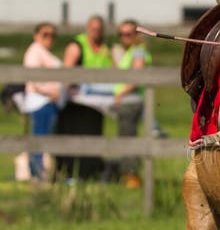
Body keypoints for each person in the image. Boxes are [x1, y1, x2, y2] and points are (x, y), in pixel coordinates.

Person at [55, 15, 113, 181]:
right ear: (87, 28)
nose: (95, 32)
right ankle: (70, 172)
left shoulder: (105, 48)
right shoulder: (76, 46)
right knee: (75, 135)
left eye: (98, 29)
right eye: (93, 28)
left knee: (93, 135)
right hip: (77, 101)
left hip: (97, 103)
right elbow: (67, 73)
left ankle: (90, 172)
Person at [21, 23, 65, 181]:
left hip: (48, 101)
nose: (49, 38)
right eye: (45, 34)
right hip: (41, 102)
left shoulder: (43, 52)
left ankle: (42, 173)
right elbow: (35, 79)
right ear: (36, 35)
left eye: (52, 35)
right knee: (39, 139)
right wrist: (51, 92)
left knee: (44, 139)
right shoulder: (35, 52)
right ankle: (37, 174)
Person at [111, 20, 152, 188]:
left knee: (128, 138)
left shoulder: (137, 52)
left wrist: (120, 93)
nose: (124, 37)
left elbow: (136, 78)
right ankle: (128, 173)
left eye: (128, 34)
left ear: (137, 35)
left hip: (130, 101)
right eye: (121, 34)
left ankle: (131, 176)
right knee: (126, 136)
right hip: (127, 100)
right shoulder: (130, 51)